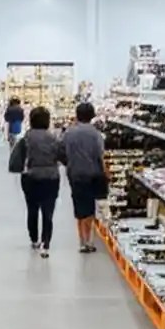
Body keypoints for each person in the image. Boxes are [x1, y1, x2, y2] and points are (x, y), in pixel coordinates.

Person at [7, 106, 63, 258]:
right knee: (48, 212)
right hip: (51, 178)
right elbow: (63, 157)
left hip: (30, 177)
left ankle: (34, 239)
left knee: (32, 209)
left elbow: (16, 160)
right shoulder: (54, 139)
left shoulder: (26, 138)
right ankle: (46, 244)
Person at [61, 101, 106, 253]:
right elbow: (100, 155)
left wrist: (70, 163)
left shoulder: (68, 133)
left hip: (75, 174)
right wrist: (106, 173)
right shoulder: (96, 134)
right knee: (90, 208)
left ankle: (82, 241)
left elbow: (62, 152)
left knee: (79, 207)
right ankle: (89, 241)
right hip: (92, 173)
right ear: (92, 116)